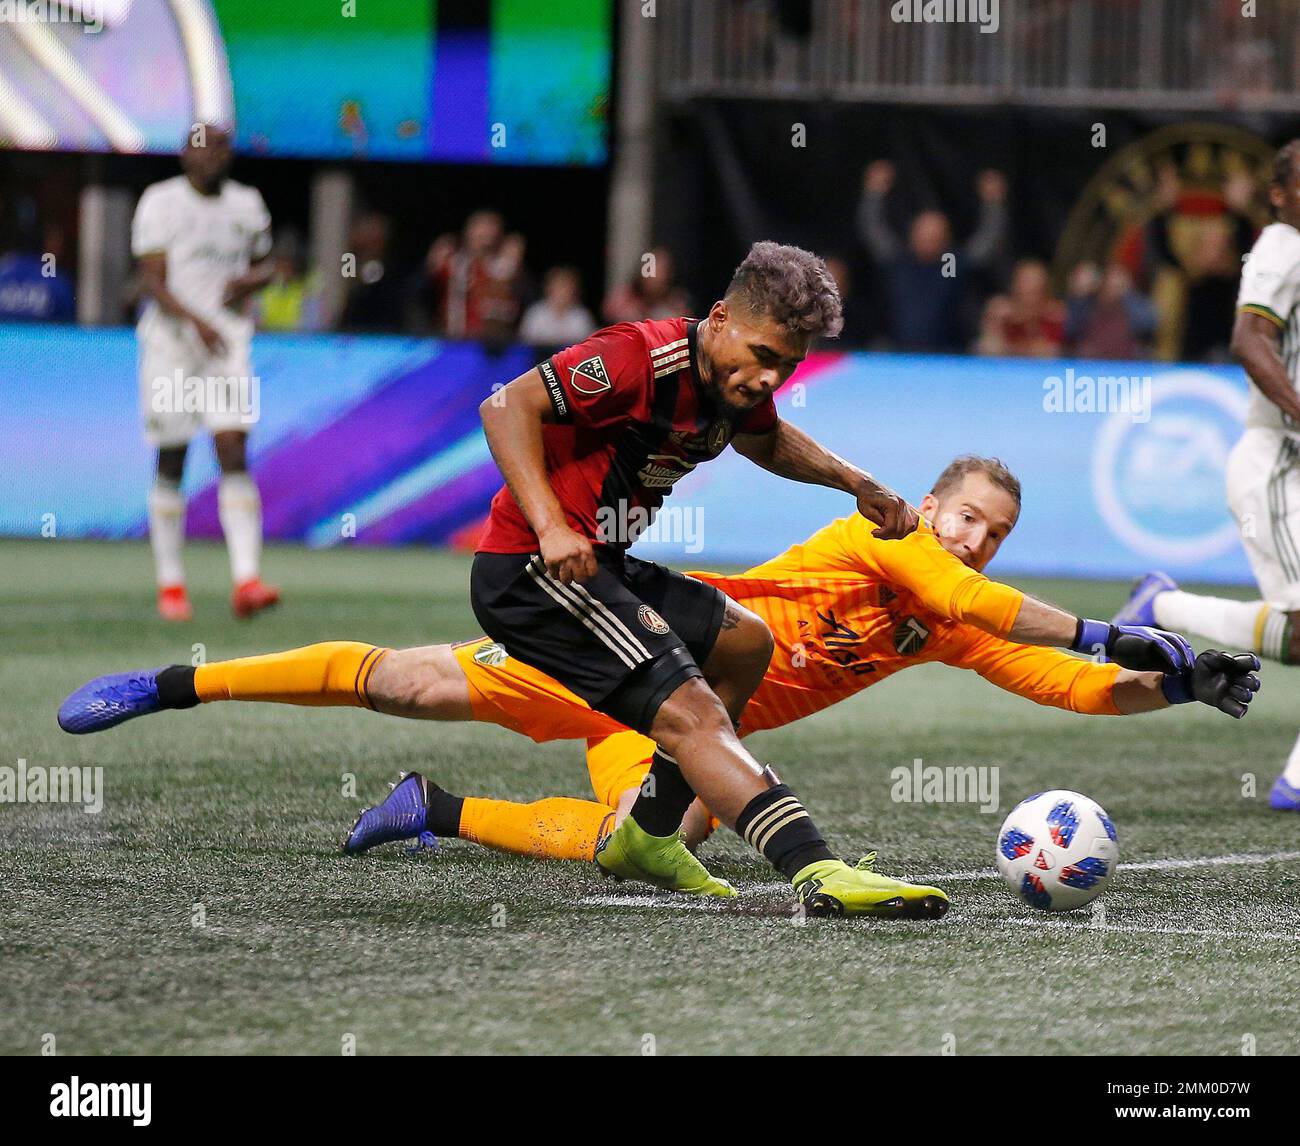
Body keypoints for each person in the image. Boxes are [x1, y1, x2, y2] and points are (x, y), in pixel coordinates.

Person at [59, 457, 1261, 869]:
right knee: (402, 679)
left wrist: (1179, 681)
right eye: (964, 515)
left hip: (680, 731)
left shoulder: (947, 618)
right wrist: (1112, 623)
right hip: (625, 655)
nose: (972, 538)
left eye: (992, 531)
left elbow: (1058, 681)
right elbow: (973, 599)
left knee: (651, 845)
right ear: (929, 506)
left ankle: (437, 813)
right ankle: (166, 687)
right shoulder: (879, 538)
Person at [1114, 139, 1300, 811]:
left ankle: (1160, 607)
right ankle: (1164, 609)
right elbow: (1250, 339)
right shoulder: (1282, 245)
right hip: (1281, 464)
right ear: (1279, 195)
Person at [130, 123, 279, 621]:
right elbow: (153, 280)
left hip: (227, 345)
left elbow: (266, 264)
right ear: (184, 154)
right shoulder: (160, 201)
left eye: (221, 146)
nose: (214, 153)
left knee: (234, 448)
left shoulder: (247, 203)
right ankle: (171, 586)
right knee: (173, 457)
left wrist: (254, 279)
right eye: (203, 145)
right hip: (172, 345)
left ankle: (247, 580)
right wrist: (198, 321)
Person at [857, 161, 1008, 351]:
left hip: (944, 354)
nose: (929, 241)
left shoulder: (950, 263)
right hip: (896, 352)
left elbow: (986, 245)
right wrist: (874, 194)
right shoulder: (898, 260)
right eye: (924, 235)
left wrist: (993, 204)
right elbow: (872, 229)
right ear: (912, 235)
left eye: (936, 236)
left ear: (946, 239)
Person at [518, 265, 597, 349]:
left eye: (566, 288)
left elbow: (588, 347)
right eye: (559, 287)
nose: (562, 293)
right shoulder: (536, 313)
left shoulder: (581, 316)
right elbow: (525, 344)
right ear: (549, 288)